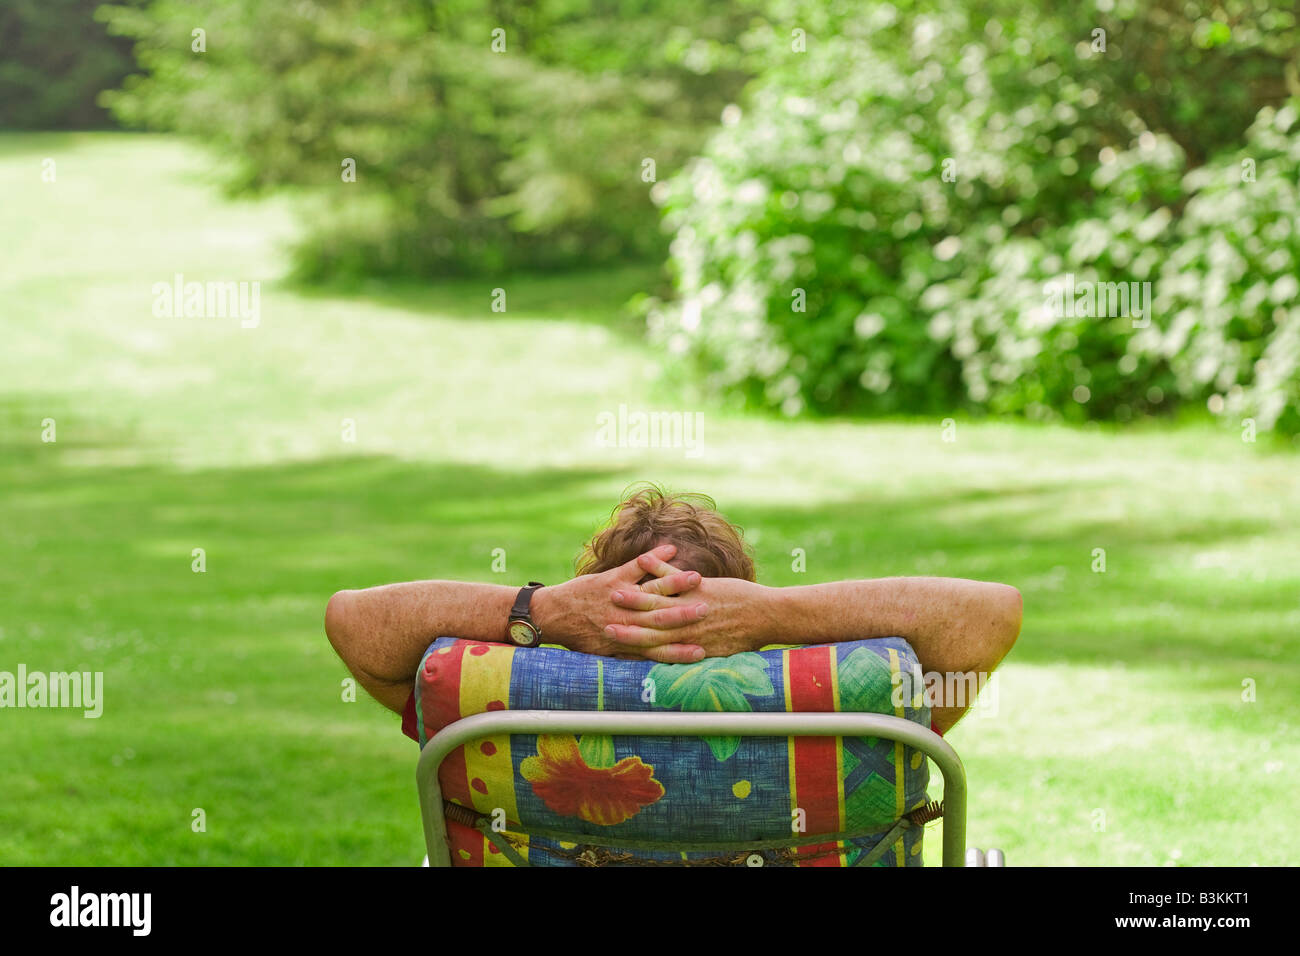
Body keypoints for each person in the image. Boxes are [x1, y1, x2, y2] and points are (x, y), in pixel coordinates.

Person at [324, 484, 1022, 739]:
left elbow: (353, 620)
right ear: (740, 596)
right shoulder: (851, 707)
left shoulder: (495, 706)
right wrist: (776, 616)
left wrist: (545, 611)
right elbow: (992, 614)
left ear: (592, 595)